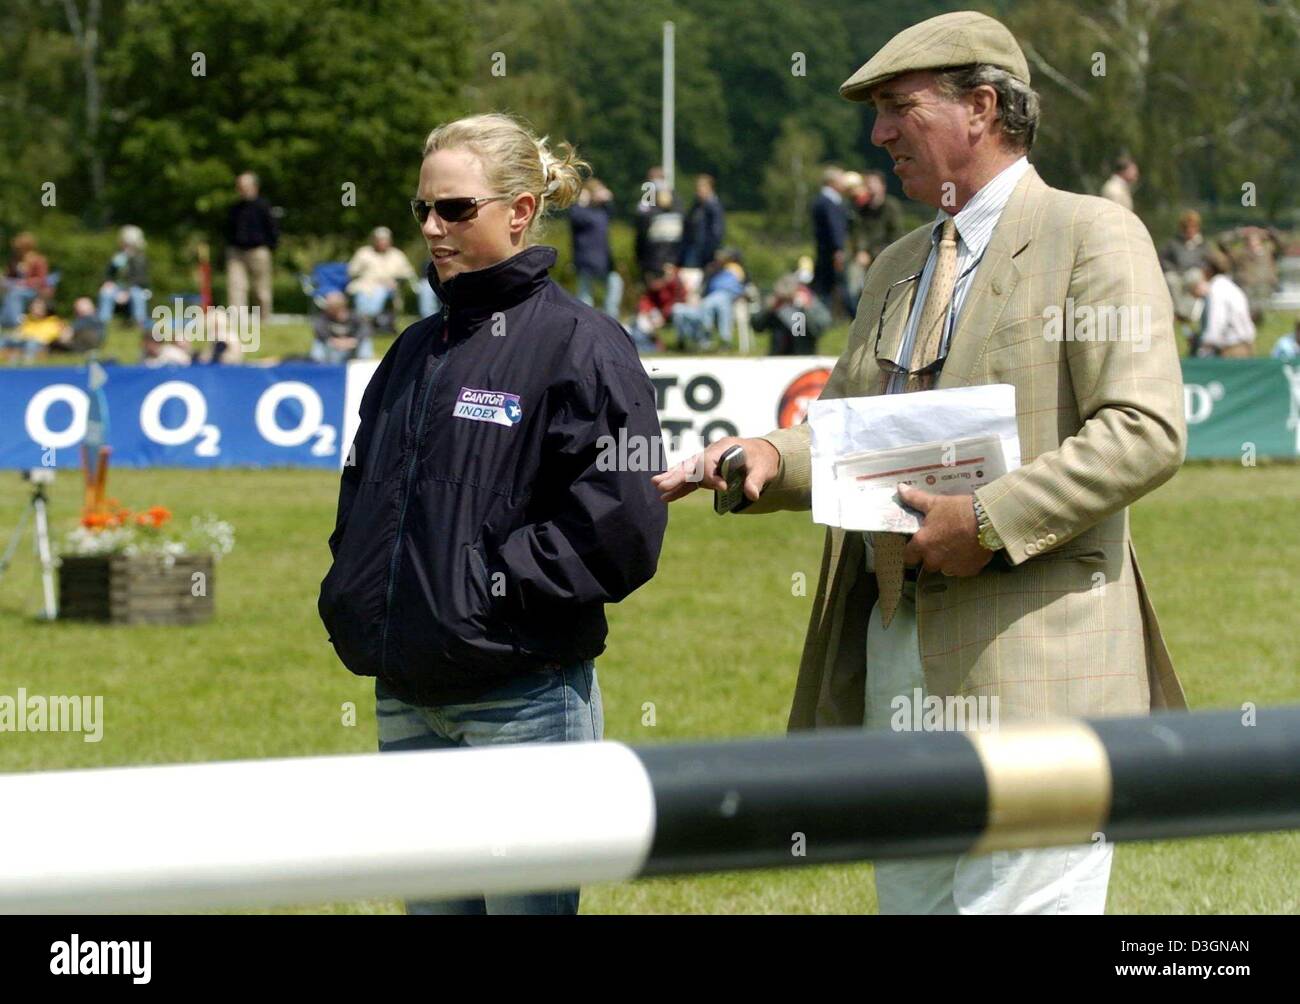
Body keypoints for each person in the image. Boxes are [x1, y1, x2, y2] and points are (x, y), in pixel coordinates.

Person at [654, 10, 1188, 916]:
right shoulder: (897, 264)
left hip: (1038, 667)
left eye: (899, 107)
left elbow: (1143, 428)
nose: (878, 134)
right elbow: (850, 431)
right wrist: (760, 457)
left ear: (981, 107)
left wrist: (984, 522)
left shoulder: (1094, 235)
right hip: (896, 654)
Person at [317, 112, 667, 916]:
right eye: (423, 211)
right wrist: (361, 586)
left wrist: (486, 589)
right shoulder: (412, 347)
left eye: (455, 209)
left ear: (518, 210)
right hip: (407, 694)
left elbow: (622, 522)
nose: (433, 229)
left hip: (523, 701)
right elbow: (365, 497)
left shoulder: (583, 344)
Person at [225, 171, 279, 318]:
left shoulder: (264, 206)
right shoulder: (235, 208)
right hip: (236, 252)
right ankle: (237, 319)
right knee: (236, 287)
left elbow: (273, 229)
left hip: (258, 250)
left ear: (255, 187)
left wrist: (269, 246)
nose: (243, 190)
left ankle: (264, 318)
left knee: (261, 289)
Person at [568, 177, 623, 319]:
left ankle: (610, 319)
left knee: (615, 285)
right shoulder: (582, 212)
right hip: (586, 260)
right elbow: (574, 216)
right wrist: (581, 199)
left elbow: (612, 213)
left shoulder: (601, 212)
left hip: (604, 261)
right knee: (585, 297)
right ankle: (586, 322)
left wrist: (608, 199)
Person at [346, 226, 416, 334]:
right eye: (379, 240)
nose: (382, 242)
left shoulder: (397, 255)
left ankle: (368, 320)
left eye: (385, 240)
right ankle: (363, 322)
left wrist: (396, 281)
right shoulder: (364, 253)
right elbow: (351, 271)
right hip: (364, 285)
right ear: (374, 240)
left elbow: (408, 273)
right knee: (361, 293)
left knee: (380, 292)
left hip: (387, 287)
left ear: (390, 241)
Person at [1191, 249, 1255, 358]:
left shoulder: (1217, 289)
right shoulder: (1229, 286)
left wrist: (1203, 346)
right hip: (1244, 345)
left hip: (1232, 350)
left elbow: (1217, 322)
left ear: (1209, 269)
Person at [752, 273, 831, 355]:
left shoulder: (809, 300)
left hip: (805, 355)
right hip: (778, 357)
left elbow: (823, 325)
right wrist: (768, 309)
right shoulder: (775, 306)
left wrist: (807, 308)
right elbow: (757, 327)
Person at [97, 225, 151, 331]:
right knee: (105, 293)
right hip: (118, 288)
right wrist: (108, 282)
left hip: (135, 288)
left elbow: (140, 279)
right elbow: (109, 274)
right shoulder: (118, 257)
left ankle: (140, 323)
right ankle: (102, 322)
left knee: (137, 295)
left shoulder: (140, 258)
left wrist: (126, 291)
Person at [811, 166, 849, 312]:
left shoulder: (821, 201)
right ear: (832, 182)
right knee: (837, 287)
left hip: (824, 252)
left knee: (825, 287)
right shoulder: (829, 203)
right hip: (831, 253)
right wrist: (838, 249)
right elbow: (835, 228)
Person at [1, 232, 51, 333]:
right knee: (10, 293)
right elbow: (8, 276)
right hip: (14, 288)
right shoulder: (15, 260)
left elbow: (42, 280)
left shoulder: (38, 260)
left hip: (33, 291)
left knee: (15, 294)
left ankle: (13, 323)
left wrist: (23, 282)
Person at [678, 173, 725, 270]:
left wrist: (711, 250)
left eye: (700, 187)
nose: (698, 191)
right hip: (694, 249)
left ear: (709, 188)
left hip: (706, 251)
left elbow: (717, 231)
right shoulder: (696, 206)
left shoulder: (714, 206)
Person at [310, 291, 370, 363]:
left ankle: (363, 365)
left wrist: (354, 340)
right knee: (318, 344)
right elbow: (319, 331)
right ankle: (320, 367)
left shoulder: (355, 317)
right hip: (332, 348)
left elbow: (365, 329)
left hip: (352, 346)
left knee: (365, 342)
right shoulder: (323, 318)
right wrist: (335, 341)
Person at [0, 295, 61, 363]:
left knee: (31, 343)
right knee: (3, 339)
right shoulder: (26, 319)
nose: (34, 308)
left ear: (46, 308)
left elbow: (45, 339)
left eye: (38, 307)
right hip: (22, 342)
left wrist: (28, 337)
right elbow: (19, 332)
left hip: (37, 345)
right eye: (33, 306)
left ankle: (26, 359)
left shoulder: (53, 321)